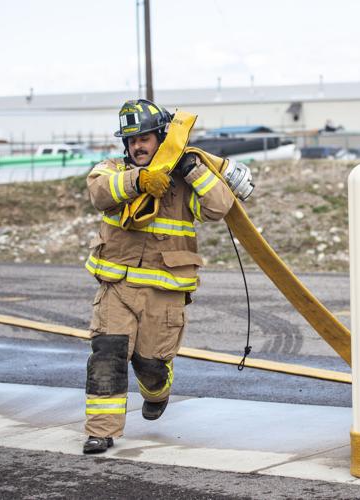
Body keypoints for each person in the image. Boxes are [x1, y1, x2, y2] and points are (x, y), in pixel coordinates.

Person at [81, 99, 253, 454]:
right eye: (131, 140)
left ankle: (158, 388)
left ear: (161, 137)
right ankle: (101, 432)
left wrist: (192, 168)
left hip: (164, 293)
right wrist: (139, 181)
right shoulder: (112, 170)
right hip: (117, 289)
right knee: (107, 354)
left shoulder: (183, 182)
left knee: (150, 364)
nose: (137, 146)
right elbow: (99, 193)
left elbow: (220, 207)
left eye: (144, 138)